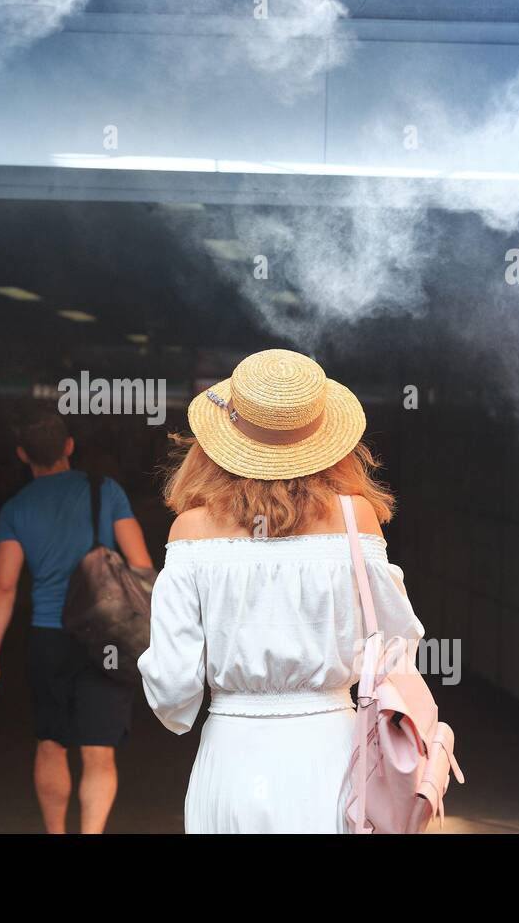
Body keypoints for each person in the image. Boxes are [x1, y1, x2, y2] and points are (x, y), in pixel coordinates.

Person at [138, 349, 424, 833]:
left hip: (231, 756)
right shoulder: (358, 520)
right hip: (336, 758)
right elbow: (399, 648)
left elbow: (172, 687)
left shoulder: (191, 531)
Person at [0, 409, 153, 834]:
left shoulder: (15, 510)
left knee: (52, 742)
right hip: (105, 639)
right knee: (99, 751)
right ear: (69, 446)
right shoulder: (105, 491)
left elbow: (4, 586)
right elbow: (142, 563)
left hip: (48, 638)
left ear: (22, 454)